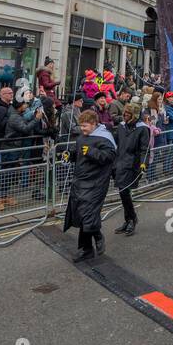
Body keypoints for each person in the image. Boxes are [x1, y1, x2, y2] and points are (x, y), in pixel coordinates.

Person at [62, 110, 116, 260]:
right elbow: (77, 153)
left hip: (96, 182)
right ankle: (86, 249)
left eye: (85, 126)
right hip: (80, 181)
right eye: (81, 126)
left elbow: (110, 157)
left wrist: (92, 151)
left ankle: (96, 238)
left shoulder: (105, 138)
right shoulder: (82, 138)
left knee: (88, 213)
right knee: (81, 213)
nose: (82, 129)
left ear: (94, 124)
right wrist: (69, 155)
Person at [112, 102, 150, 236]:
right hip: (120, 163)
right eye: (124, 114)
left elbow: (145, 148)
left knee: (124, 191)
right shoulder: (122, 126)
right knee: (123, 192)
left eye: (128, 114)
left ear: (134, 115)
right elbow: (114, 141)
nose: (125, 116)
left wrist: (143, 164)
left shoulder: (142, 128)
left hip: (132, 164)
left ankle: (132, 219)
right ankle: (129, 219)